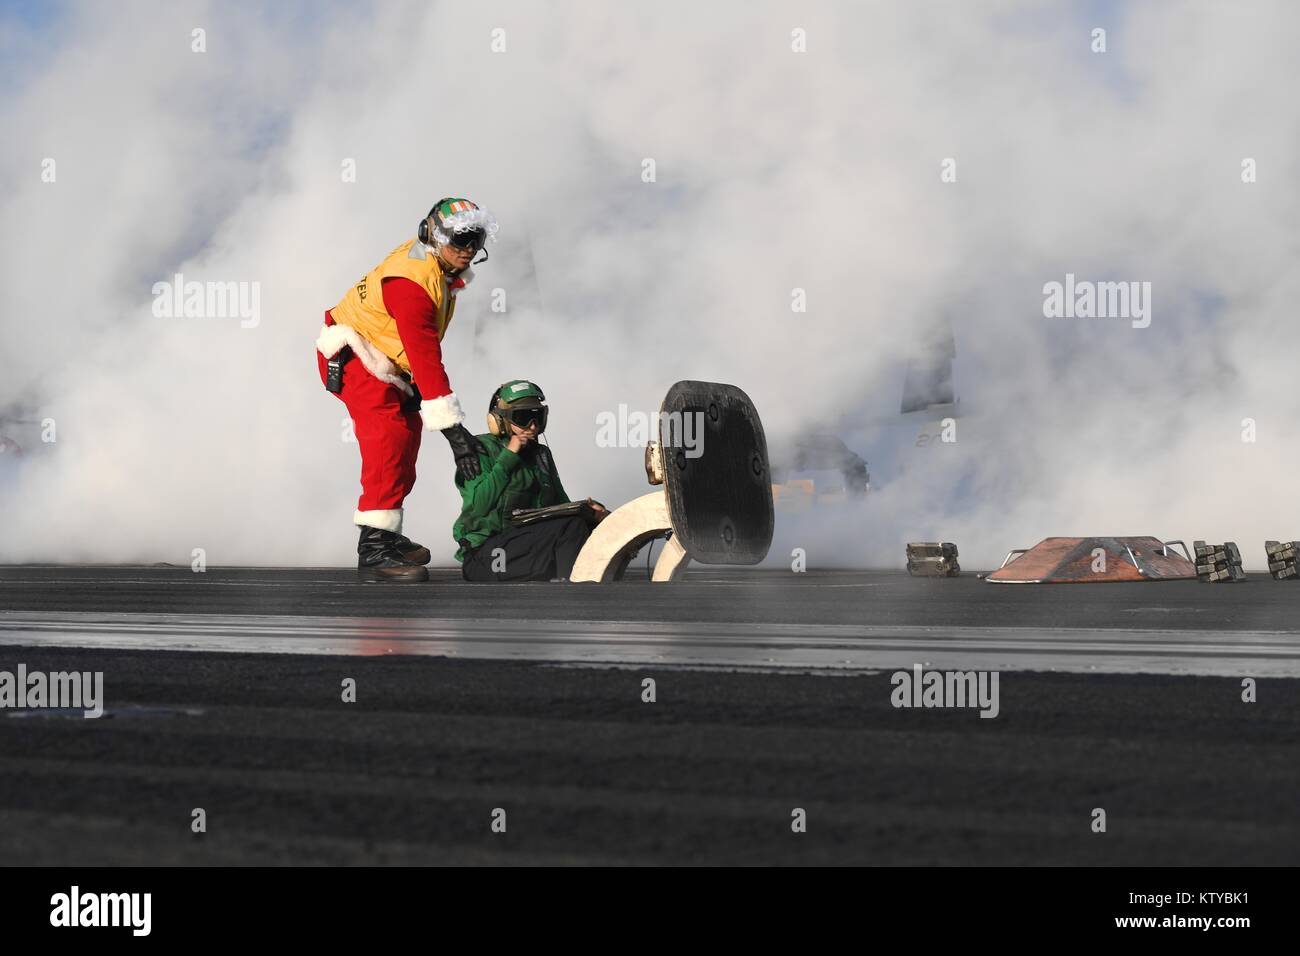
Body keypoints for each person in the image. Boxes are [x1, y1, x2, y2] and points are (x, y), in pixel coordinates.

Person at [315, 198, 498, 582]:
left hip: (385, 359)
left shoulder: (437, 267)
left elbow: (416, 351)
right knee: (389, 436)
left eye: (475, 239)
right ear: (434, 236)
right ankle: (373, 552)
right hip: (354, 355)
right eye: (459, 239)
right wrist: (455, 433)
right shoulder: (413, 284)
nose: (467, 249)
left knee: (408, 433)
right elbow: (426, 357)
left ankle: (386, 533)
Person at [453, 381, 608, 582]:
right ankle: (574, 595)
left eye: (538, 417)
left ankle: (578, 588)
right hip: (485, 557)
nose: (533, 426)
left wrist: (592, 512)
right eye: (524, 418)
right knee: (571, 527)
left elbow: (559, 506)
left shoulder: (541, 454)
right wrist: (509, 455)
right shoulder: (479, 449)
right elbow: (479, 506)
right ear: (499, 420)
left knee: (588, 524)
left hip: (524, 548)